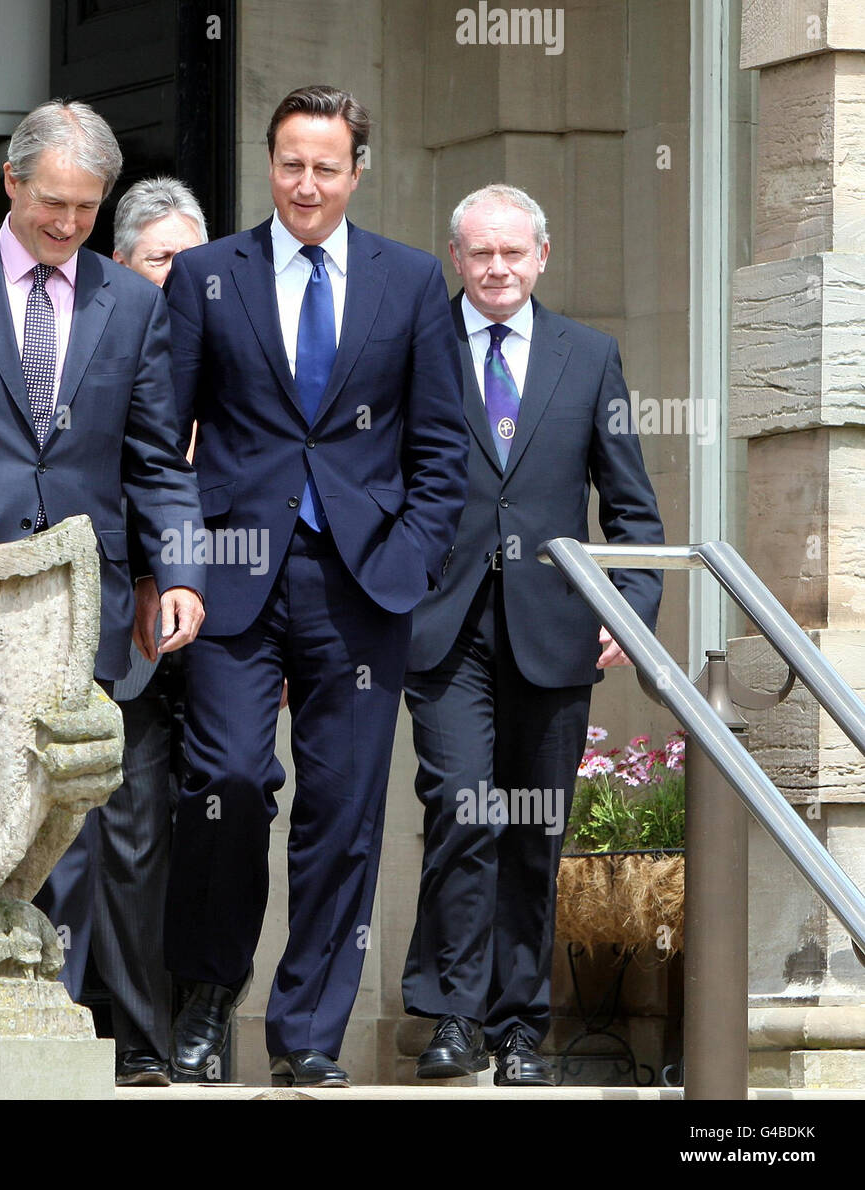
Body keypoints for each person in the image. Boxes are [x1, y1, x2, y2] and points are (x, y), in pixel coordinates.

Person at [161, 84, 470, 1088]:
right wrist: (172, 563)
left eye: (325, 166)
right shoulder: (209, 275)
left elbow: (439, 448)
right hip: (228, 580)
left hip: (359, 584)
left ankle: (305, 1035)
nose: (305, 183)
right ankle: (206, 998)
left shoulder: (413, 281)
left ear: (355, 170)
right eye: (290, 162)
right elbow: (161, 440)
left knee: (343, 811)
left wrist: (410, 558)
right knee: (230, 784)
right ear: (269, 162)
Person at [0, 101, 206, 1015]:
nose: (66, 224)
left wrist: (176, 572)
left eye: (86, 210)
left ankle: (44, 1020)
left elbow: (154, 460)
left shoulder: (129, 302)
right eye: (51, 202)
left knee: (65, 821)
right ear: (12, 183)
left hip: (74, 604)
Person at [403, 183, 664, 1087]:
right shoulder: (415, 343)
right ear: (457, 258)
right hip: (443, 631)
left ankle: (520, 1029)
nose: (498, 268)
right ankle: (450, 1016)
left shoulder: (590, 357)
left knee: (532, 831)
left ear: (542, 257)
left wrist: (628, 607)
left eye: (514, 253)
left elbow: (631, 505)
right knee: (462, 812)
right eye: (481, 254)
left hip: (553, 630)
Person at [97, 176, 208, 1088]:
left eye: (190, 258)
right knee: (127, 833)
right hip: (125, 630)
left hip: (228, 639)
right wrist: (145, 576)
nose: (180, 275)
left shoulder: (235, 352)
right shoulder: (107, 335)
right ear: (125, 266)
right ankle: (137, 1040)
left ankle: (202, 1011)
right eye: (162, 258)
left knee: (225, 821)